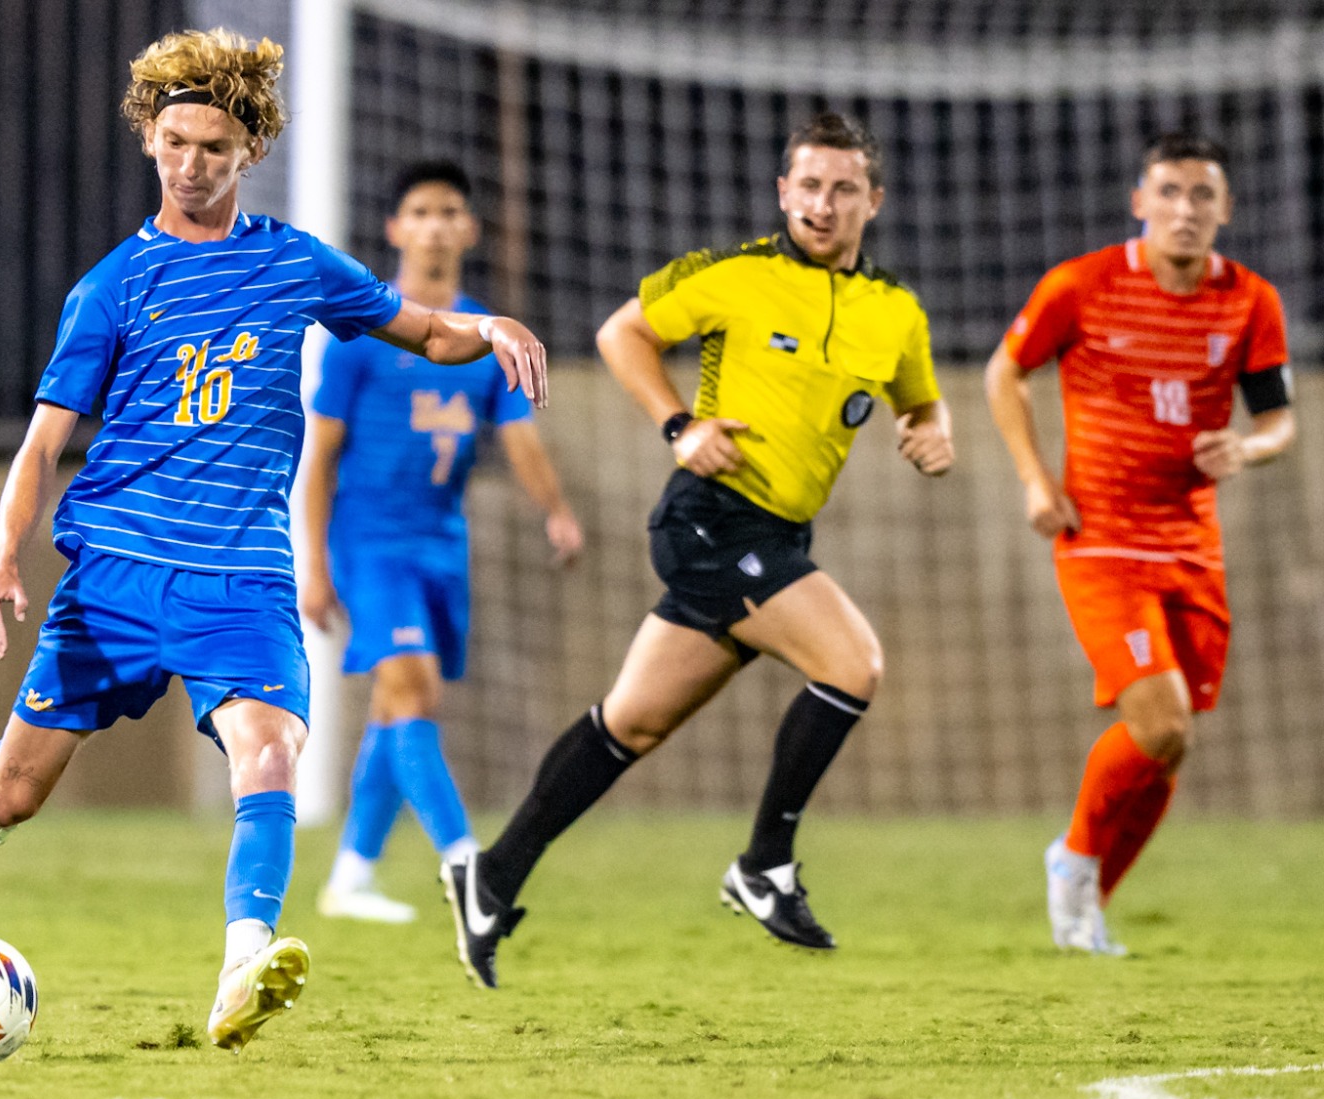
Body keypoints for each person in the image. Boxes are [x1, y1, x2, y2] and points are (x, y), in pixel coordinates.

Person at [0, 29, 548, 1051]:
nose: (191, 164)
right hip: (117, 578)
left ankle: (243, 960)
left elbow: (423, 331)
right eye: (176, 141)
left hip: (242, 576)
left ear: (249, 151)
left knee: (269, 747)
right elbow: (43, 440)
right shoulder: (110, 289)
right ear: (148, 136)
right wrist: (5, 554)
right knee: (15, 792)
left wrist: (487, 326)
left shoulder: (294, 264)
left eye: (213, 148)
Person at [442, 112, 953, 987]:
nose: (822, 205)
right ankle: (765, 865)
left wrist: (932, 432)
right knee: (852, 663)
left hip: (780, 534)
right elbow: (620, 333)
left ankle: (490, 877)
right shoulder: (737, 275)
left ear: (874, 200)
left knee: (630, 722)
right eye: (808, 187)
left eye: (842, 190)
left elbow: (920, 403)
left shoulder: (896, 312)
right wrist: (679, 425)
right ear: (782, 191)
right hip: (713, 521)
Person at [985, 133, 1294, 956]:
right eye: (1169, 192)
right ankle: (1073, 856)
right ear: (1139, 203)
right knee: (1158, 723)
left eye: (1202, 196)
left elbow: (1278, 419)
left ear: (1225, 209)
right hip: (1101, 542)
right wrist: (1034, 479)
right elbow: (1004, 372)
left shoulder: (1252, 302)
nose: (1185, 210)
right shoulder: (1082, 285)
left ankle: (1087, 911)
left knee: (1173, 744)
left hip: (1194, 547)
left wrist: (1250, 448)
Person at [299, 161, 584, 925]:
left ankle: (353, 874)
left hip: (441, 548)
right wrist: (313, 565)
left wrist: (556, 511)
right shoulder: (358, 334)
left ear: (468, 229)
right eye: (418, 210)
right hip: (370, 544)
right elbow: (319, 459)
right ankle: (469, 871)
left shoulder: (486, 335)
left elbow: (519, 438)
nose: (433, 225)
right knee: (413, 689)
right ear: (395, 229)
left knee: (400, 707)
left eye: (448, 211)